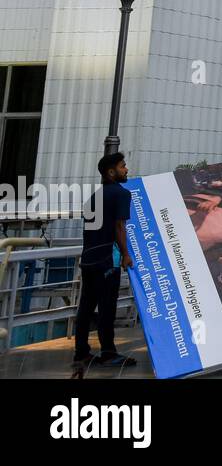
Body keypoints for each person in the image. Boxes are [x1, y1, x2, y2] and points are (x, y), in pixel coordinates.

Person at [74, 152, 136, 368]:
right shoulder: (121, 194)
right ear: (112, 172)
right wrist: (126, 254)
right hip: (107, 260)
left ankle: (81, 353)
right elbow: (119, 227)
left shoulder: (95, 196)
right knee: (107, 307)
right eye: (123, 166)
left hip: (89, 258)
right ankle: (108, 353)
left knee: (86, 307)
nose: (126, 169)